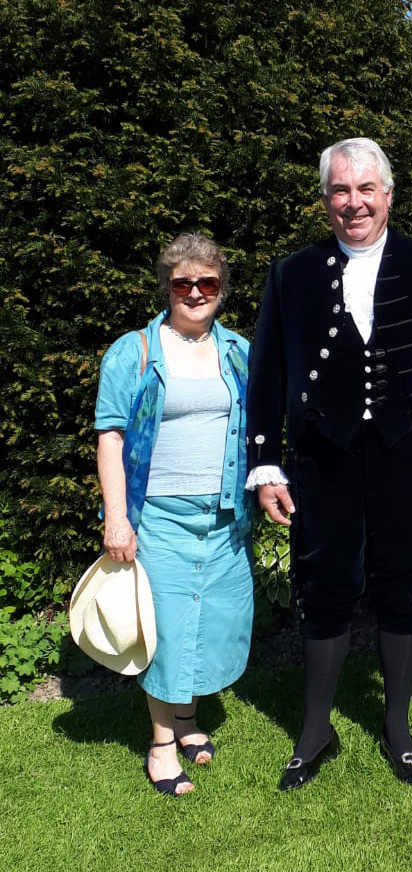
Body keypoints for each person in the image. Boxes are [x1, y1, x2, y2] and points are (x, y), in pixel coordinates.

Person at [246, 137, 412, 789]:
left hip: (411, 454)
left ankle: (397, 728)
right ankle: (315, 730)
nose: (354, 202)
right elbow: (265, 375)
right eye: (340, 190)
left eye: (366, 189)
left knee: (403, 582)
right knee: (322, 586)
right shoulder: (291, 273)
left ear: (388, 194)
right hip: (323, 454)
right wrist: (265, 464)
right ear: (326, 198)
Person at [95, 233, 254, 796]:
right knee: (164, 630)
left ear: (221, 289)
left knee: (213, 622)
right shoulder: (133, 351)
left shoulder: (237, 350)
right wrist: (118, 516)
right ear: (167, 287)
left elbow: (255, 432)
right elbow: (110, 436)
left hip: (225, 515)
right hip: (157, 514)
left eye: (206, 283)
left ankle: (186, 721)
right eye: (182, 283)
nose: (194, 292)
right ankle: (162, 744)